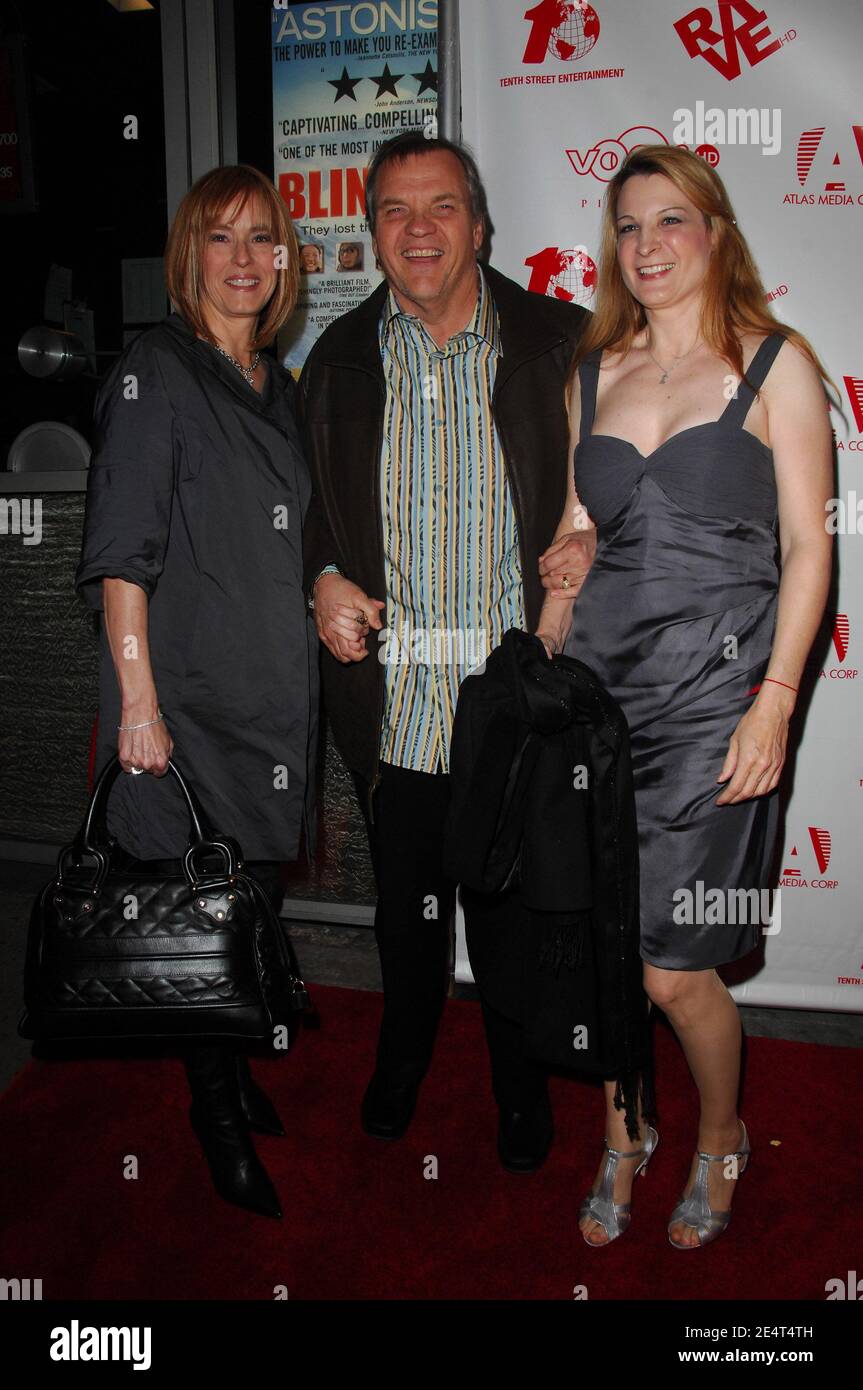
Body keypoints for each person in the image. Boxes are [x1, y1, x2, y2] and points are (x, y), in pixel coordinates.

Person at [535, 145, 833, 1247]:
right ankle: (623, 1135)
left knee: (672, 966)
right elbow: (579, 525)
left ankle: (719, 1134)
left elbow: (808, 549)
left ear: (712, 231)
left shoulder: (773, 364)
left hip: (715, 701)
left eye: (670, 220)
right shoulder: (590, 368)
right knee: (606, 947)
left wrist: (776, 700)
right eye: (627, 227)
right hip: (595, 702)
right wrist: (559, 565)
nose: (647, 245)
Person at [299, 132, 594, 1170]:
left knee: (509, 911)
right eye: (392, 210)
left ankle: (520, 1081)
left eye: (439, 208)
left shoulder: (560, 343)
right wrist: (322, 574)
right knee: (406, 912)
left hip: (511, 697)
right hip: (394, 701)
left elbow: (616, 485)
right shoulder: (333, 361)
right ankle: (404, 1054)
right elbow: (310, 514)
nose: (417, 230)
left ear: (478, 223)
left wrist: (591, 532)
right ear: (370, 227)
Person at [75, 164, 319, 1220]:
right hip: (184, 697)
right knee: (192, 919)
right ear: (188, 258)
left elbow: (302, 537)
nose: (241, 259)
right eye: (219, 239)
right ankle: (214, 1115)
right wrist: (139, 703)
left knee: (245, 900)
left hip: (272, 691)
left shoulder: (283, 384)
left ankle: (233, 1070)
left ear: (283, 260)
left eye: (260, 238)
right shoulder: (153, 370)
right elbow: (123, 554)